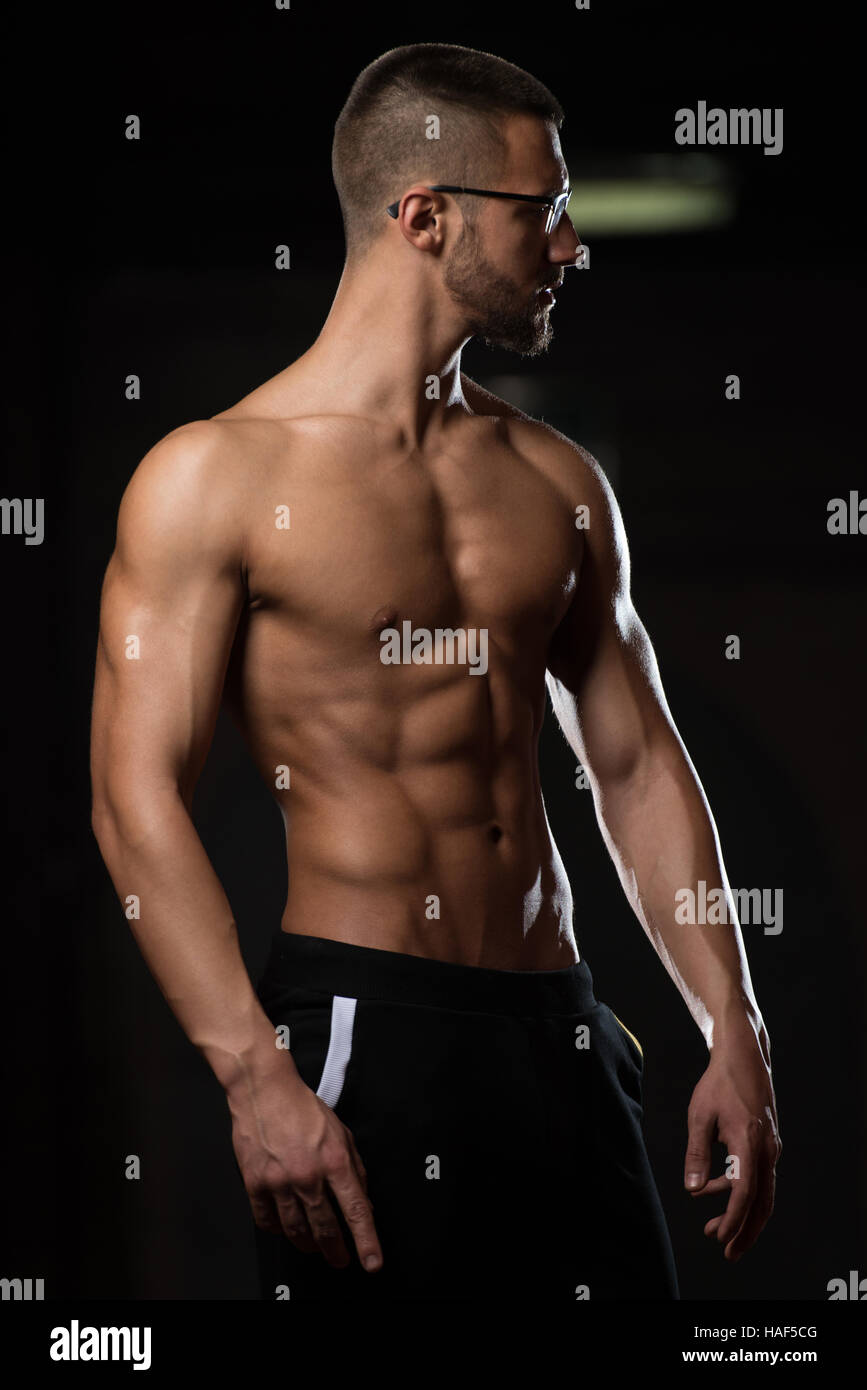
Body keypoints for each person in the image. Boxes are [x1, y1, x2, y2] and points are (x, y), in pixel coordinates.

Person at [90, 42, 780, 1301]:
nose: (571, 243)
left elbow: (633, 764)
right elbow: (134, 801)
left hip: (559, 1032)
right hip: (367, 1032)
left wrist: (734, 1028)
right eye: (546, 209)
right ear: (425, 216)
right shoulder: (216, 478)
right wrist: (254, 1073)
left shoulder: (559, 484)